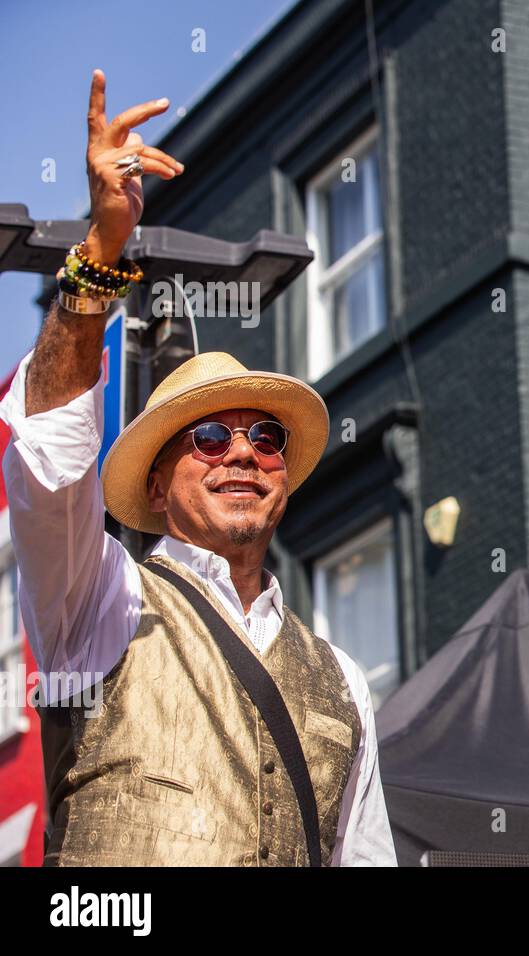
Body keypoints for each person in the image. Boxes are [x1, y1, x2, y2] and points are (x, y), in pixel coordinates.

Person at [0, 70, 395, 865]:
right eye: (209, 436)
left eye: (267, 439)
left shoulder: (344, 681)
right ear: (155, 483)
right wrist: (100, 254)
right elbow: (47, 454)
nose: (244, 451)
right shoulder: (99, 599)